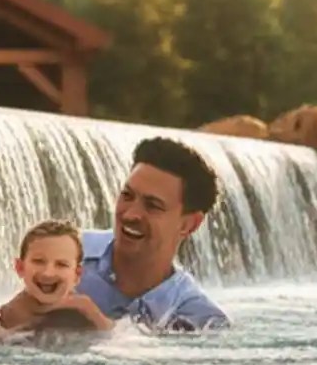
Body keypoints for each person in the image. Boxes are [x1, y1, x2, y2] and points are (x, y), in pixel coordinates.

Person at [74, 136, 231, 332]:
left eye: (153, 206)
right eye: (127, 196)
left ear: (189, 224)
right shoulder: (62, 255)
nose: (130, 214)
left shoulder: (202, 321)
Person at [0, 219, 112, 333]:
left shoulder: (86, 309)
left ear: (77, 275)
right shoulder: (8, 317)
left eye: (61, 264)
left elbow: (112, 335)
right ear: (20, 268)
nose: (48, 273)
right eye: (38, 261)